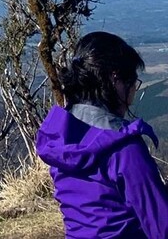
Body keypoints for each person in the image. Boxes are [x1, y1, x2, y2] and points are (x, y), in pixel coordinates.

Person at [37, 31, 168, 239]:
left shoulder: (60, 141)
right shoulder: (124, 149)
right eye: (132, 83)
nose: (133, 93)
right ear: (115, 79)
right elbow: (162, 227)